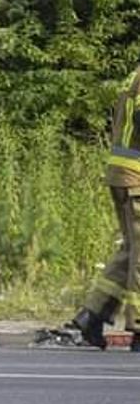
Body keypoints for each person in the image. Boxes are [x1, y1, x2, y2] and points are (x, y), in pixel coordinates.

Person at [51, 67, 140, 352]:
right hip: (136, 176)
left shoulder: (135, 73)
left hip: (124, 172)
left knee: (130, 251)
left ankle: (92, 315)